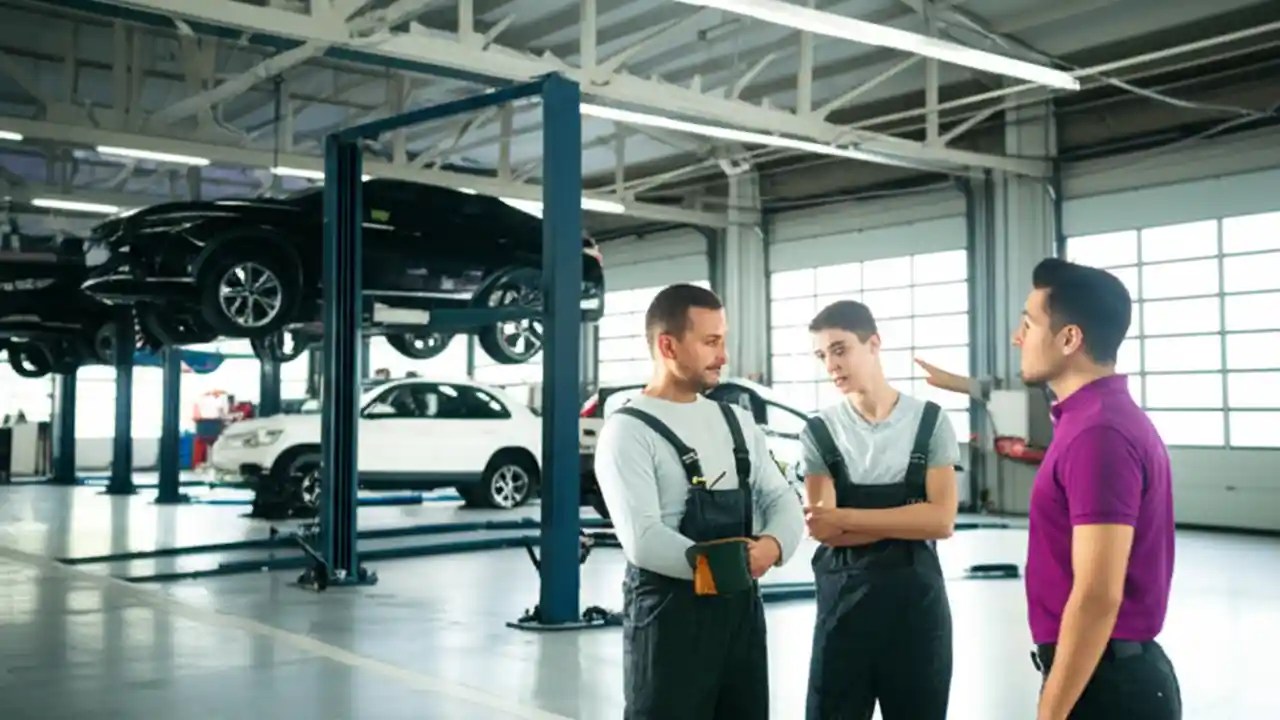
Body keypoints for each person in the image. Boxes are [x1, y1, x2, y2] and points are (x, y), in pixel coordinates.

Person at [593, 283, 805, 720]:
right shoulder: (628, 431)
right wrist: (735, 564)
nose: (723, 356)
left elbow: (781, 497)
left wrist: (773, 547)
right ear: (667, 345)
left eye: (723, 341)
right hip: (670, 621)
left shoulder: (737, 421)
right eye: (710, 342)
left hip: (741, 614)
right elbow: (644, 539)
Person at [1013, 258, 1180, 720]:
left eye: (1028, 324)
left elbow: (1097, 594)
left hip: (1107, 687)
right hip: (1102, 672)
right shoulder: (1090, 420)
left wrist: (1051, 712)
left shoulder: (1097, 434)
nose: (1017, 338)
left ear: (1070, 339)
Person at [799, 300, 961, 720]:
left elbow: (941, 520)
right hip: (842, 616)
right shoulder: (819, 432)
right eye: (822, 356)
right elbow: (822, 528)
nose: (831, 365)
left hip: (917, 618)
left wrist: (847, 517)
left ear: (874, 344)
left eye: (839, 349)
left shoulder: (930, 422)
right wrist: (908, 517)